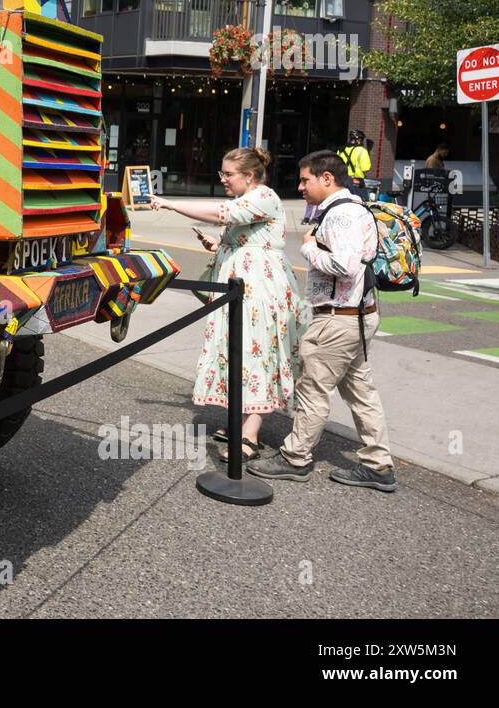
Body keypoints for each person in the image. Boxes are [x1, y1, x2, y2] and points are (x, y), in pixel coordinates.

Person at [248, 150, 398, 492]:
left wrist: (309, 248)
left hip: (337, 319)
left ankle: (294, 458)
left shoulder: (341, 216)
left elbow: (345, 266)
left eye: (305, 180)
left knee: (313, 389)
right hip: (358, 316)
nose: (300, 187)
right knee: (361, 392)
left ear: (326, 178)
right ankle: (378, 464)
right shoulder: (354, 209)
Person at [149, 148, 305, 462]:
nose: (223, 179)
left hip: (259, 292)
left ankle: (250, 436)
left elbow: (223, 213)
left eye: (228, 174)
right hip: (242, 289)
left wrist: (169, 203)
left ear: (249, 175)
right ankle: (241, 424)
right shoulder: (248, 201)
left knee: (256, 354)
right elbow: (240, 234)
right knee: (239, 354)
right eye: (222, 173)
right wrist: (216, 243)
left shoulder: (264, 197)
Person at [337, 129, 371, 196]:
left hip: (341, 179)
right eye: (361, 139)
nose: (362, 141)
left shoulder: (341, 150)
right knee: (359, 201)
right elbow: (366, 168)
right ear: (358, 139)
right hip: (355, 181)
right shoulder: (362, 150)